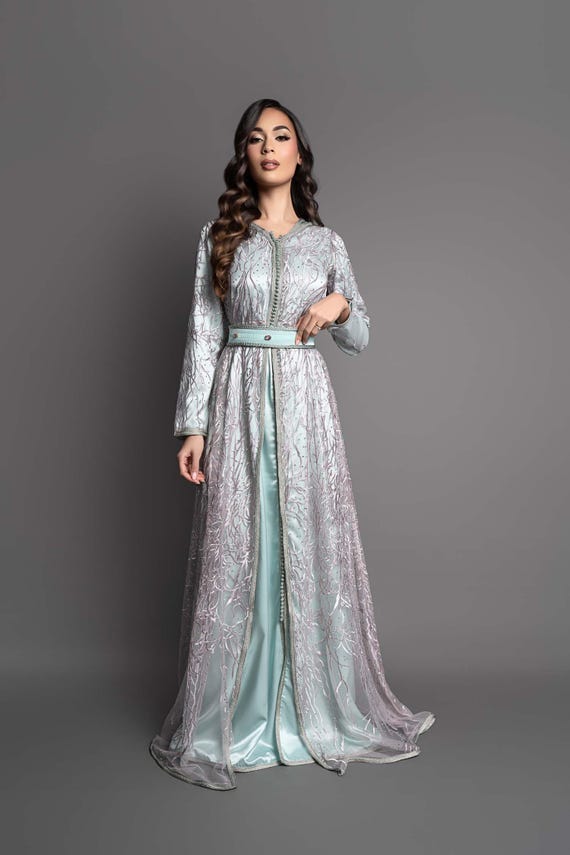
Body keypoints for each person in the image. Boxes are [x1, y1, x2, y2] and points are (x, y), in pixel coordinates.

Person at [149, 98, 435, 791]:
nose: (269, 146)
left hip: (305, 403)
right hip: (239, 396)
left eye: (281, 136)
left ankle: (312, 706)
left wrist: (341, 305)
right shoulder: (219, 236)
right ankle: (241, 711)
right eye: (256, 138)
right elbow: (203, 332)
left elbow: (359, 337)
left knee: (303, 538)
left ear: (299, 153)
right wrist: (193, 426)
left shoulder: (327, 244)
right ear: (244, 155)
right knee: (242, 543)